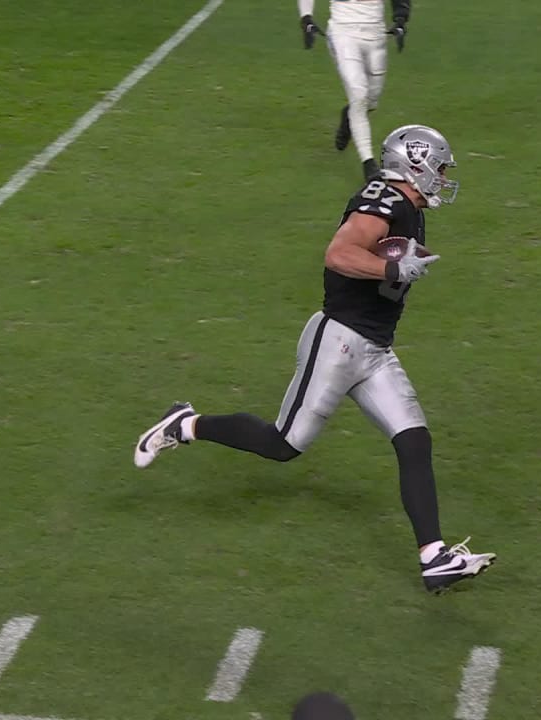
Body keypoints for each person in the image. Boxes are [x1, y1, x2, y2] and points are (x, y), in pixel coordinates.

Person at [132, 125, 496, 593]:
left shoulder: (409, 208)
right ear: (415, 163)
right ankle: (184, 424)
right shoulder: (383, 201)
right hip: (339, 340)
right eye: (439, 167)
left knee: (414, 441)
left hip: (375, 349)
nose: (443, 177)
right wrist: (390, 267)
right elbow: (338, 254)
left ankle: (434, 557)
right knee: (283, 444)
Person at [299, 0, 410, 181]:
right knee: (359, 95)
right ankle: (368, 162)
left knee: (371, 101)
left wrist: (401, 19)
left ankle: (349, 116)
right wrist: (306, 17)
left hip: (376, 34)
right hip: (343, 32)